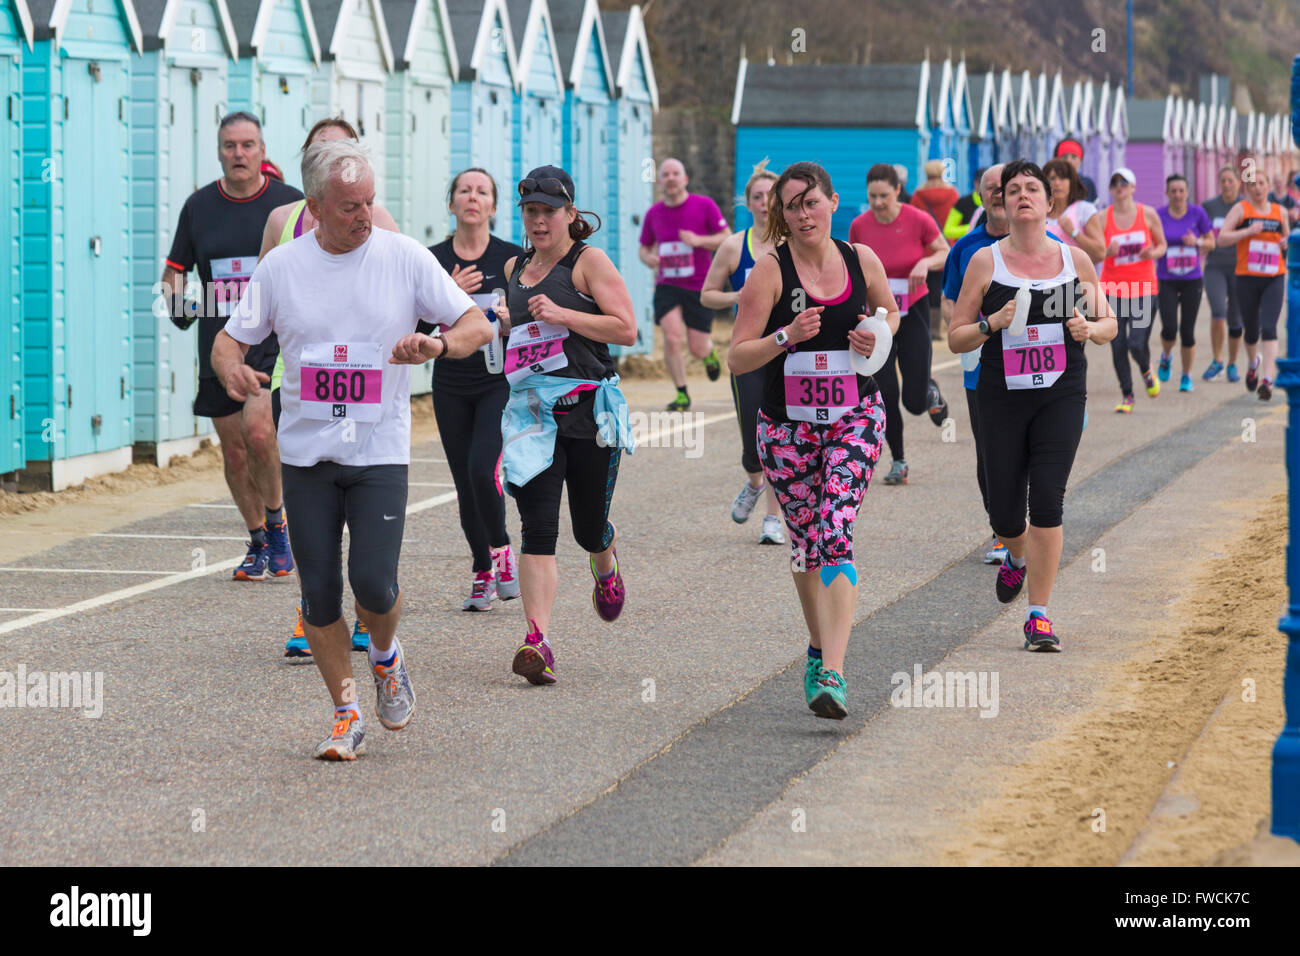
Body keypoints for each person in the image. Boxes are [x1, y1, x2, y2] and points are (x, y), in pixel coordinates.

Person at [213, 139, 492, 759]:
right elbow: (229, 341)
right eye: (348, 207)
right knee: (319, 594)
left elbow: (477, 323)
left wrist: (440, 347)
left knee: (374, 586)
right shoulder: (282, 267)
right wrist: (232, 369)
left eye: (369, 201)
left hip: (378, 453)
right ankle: (345, 710)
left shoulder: (404, 257)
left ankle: (387, 657)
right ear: (313, 206)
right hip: (307, 457)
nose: (364, 215)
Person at [729, 161, 897, 718]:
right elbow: (737, 355)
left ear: (832, 200)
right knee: (805, 545)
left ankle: (834, 672)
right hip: (786, 427)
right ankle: (818, 645)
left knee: (835, 529)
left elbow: (890, 313)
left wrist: (874, 334)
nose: (803, 214)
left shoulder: (860, 258)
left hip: (855, 415)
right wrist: (785, 335)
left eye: (811, 201)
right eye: (791, 205)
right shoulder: (769, 270)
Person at [950, 159, 1117, 651]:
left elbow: (1108, 323)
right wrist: (991, 324)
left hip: (1061, 394)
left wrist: (1090, 328)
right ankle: (1015, 556)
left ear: (1049, 203)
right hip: (1001, 396)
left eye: (1032, 189)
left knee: (1047, 500)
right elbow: (956, 337)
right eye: (1012, 189)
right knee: (1005, 514)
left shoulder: (1075, 261)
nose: (1022, 195)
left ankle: (1039, 615)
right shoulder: (986, 262)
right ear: (1001, 202)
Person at [258, 117, 401, 660]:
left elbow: (401, 287)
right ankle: (312, 609)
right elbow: (262, 294)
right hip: (299, 377)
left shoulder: (376, 221)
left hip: (364, 390)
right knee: (314, 528)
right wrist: (244, 359)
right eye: (321, 150)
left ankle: (371, 609)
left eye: (342, 151)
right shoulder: (281, 220)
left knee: (369, 546)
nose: (332, 159)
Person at [501, 166, 638, 686]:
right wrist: (506, 326)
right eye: (531, 211)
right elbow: (524, 334)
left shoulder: (588, 262)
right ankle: (538, 640)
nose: (539, 221)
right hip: (533, 414)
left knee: (585, 528)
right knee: (537, 527)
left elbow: (626, 328)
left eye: (549, 212)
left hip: (587, 411)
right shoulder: (515, 267)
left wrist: (564, 313)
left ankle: (605, 554)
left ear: (570, 213)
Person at [161, 111, 301, 584]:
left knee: (261, 436)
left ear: (263, 151)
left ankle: (280, 527)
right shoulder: (199, 206)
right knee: (235, 449)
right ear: (219, 151)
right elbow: (175, 270)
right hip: (220, 345)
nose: (238, 154)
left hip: (272, 346)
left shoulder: (288, 204)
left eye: (247, 145)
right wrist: (176, 303)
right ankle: (259, 540)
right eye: (229, 146)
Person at [425, 169, 525, 610]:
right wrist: (447, 292)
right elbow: (413, 325)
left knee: (483, 468)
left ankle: (502, 551)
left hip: (496, 383)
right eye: (464, 190)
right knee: (465, 482)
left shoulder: (511, 258)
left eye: (482, 191)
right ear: (451, 204)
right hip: (450, 383)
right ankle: (482, 570)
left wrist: (510, 322)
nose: (472, 197)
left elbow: (533, 322)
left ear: (493, 207)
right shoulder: (431, 260)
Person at [848, 163, 950, 485]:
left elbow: (945, 252)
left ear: (896, 192)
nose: (878, 202)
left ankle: (930, 394)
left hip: (912, 312)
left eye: (884, 196)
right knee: (885, 392)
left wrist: (924, 261)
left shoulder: (917, 218)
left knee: (913, 401)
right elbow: (853, 268)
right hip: (878, 319)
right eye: (872, 196)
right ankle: (899, 460)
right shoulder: (859, 226)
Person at [700, 166, 785, 545]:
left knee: (780, 437)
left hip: (787, 352)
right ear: (747, 202)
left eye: (771, 196)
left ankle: (773, 519)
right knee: (753, 445)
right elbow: (707, 294)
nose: (764, 203)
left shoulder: (793, 245)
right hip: (748, 352)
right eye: (757, 197)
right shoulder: (735, 245)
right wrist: (742, 297)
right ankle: (753, 481)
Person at [942, 163, 1012, 566]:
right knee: (990, 450)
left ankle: (1030, 526)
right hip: (981, 364)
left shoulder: (1049, 244)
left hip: (1033, 366)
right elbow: (952, 303)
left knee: (1030, 448)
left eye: (1006, 187)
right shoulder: (965, 248)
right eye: (991, 188)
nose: (999, 194)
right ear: (981, 196)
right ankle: (1002, 531)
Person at [639, 159, 731, 410]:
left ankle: (708, 354)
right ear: (660, 181)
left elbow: (726, 238)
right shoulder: (653, 213)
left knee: (697, 346)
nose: (670, 178)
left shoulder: (704, 206)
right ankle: (682, 393)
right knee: (671, 336)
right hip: (667, 284)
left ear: (685, 178)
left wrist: (698, 240)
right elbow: (644, 248)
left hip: (699, 285)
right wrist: (649, 258)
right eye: (665, 174)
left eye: (675, 173)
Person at [1083, 167, 1166, 413]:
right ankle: (1127, 394)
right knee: (1117, 344)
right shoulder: (1101, 219)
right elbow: (1091, 252)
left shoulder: (1148, 214)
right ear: (1110, 189)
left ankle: (1146, 369)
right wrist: (1106, 252)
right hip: (1113, 289)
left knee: (1136, 343)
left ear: (1133, 188)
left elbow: (1162, 245)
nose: (1119, 186)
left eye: (1124, 182)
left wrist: (1153, 253)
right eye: (1115, 182)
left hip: (1144, 289)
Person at [1216, 163, 1288, 401]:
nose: (1257, 188)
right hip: (1246, 277)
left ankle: (1267, 379)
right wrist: (1247, 232)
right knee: (1251, 331)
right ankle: (1252, 362)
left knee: (1269, 328)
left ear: (1268, 186)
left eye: (1261, 183)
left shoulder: (1280, 212)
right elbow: (1222, 238)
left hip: (1274, 277)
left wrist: (1286, 243)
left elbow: (1288, 239)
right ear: (1246, 188)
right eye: (1252, 184)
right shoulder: (1241, 209)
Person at [1154, 174, 1215, 392]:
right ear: (1167, 193)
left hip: (1192, 280)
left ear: (1187, 192)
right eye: (1173, 191)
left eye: (1181, 190)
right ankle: (1166, 355)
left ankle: (1186, 376)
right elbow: (1151, 240)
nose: (1178, 195)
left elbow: (1211, 243)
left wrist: (1197, 242)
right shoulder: (1158, 215)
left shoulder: (1197, 213)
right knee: (1169, 328)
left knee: (1187, 331)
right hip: (1166, 279)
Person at [1201, 164, 1244, 382]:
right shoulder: (1209, 206)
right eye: (1223, 181)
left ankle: (1232, 363)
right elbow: (1200, 232)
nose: (1227, 184)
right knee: (1218, 314)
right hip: (1215, 266)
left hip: (1240, 268)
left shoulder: (1246, 206)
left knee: (1235, 320)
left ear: (1238, 182)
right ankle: (1217, 360)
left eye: (1231, 180)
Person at [912, 159, 961, 336]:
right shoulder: (953, 195)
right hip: (947, 247)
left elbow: (914, 223)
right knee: (946, 286)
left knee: (927, 288)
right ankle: (943, 325)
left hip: (925, 249)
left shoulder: (918, 195)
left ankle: (928, 327)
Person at [1042, 158, 1102, 261]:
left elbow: (1100, 253)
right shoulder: (1038, 213)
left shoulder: (1084, 210)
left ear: (1072, 182)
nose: (1057, 183)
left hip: (1077, 275)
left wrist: (1073, 233)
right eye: (1052, 178)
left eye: (1063, 178)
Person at [943, 168, 986, 242]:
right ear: (975, 183)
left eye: (987, 184)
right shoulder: (963, 202)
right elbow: (948, 231)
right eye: (980, 182)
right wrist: (973, 227)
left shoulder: (997, 201)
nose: (983, 186)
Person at [1053, 139, 1098, 204]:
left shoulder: (1088, 183)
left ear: (1081, 160)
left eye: (1073, 157)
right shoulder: (1050, 183)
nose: (1069, 161)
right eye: (1064, 157)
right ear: (1056, 160)